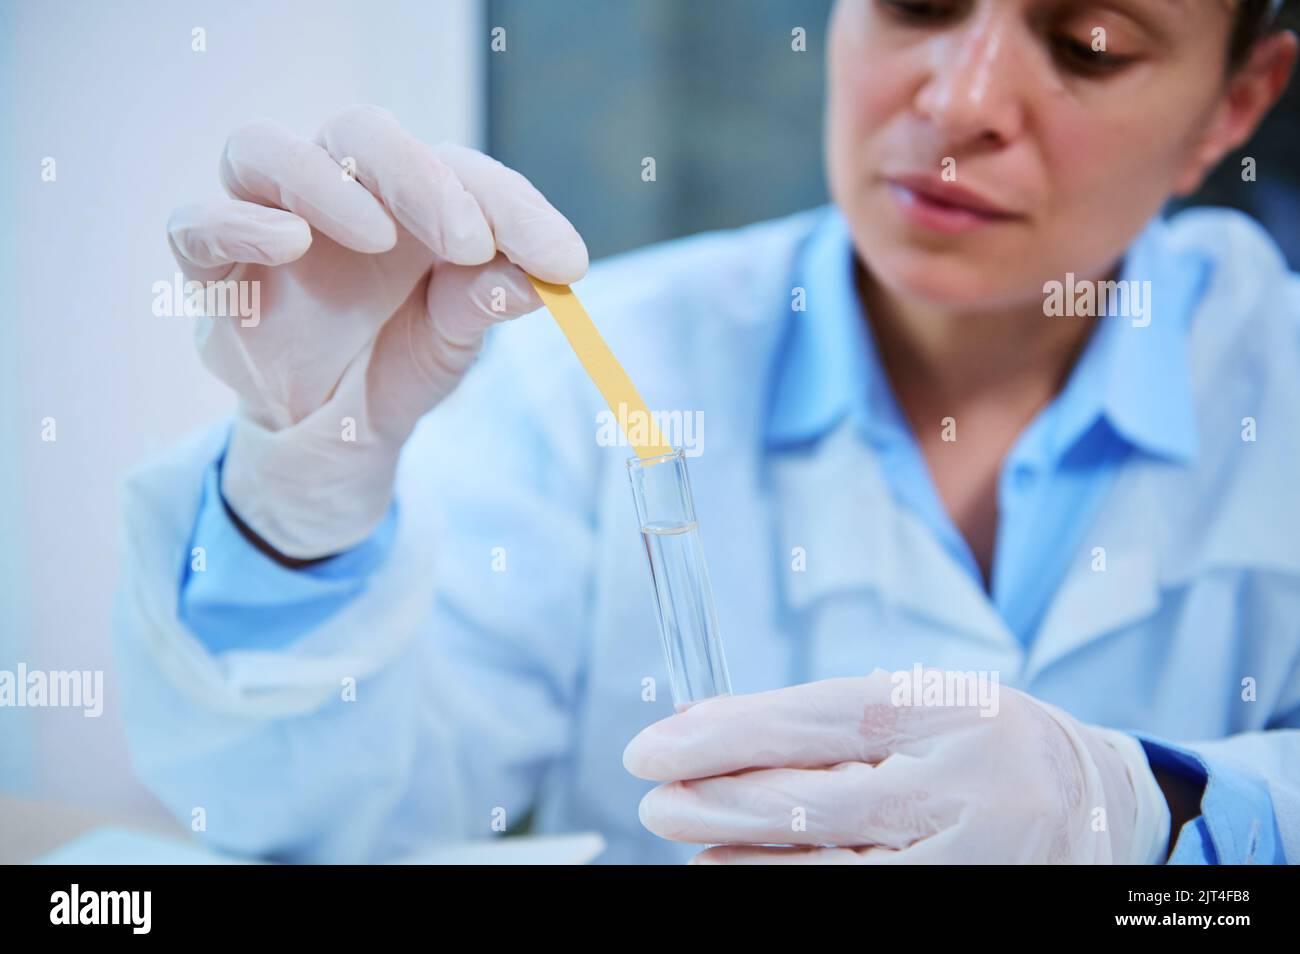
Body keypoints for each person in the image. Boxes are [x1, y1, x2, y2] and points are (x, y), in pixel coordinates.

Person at [116, 0, 1299, 864]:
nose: (961, 101)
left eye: (1088, 45)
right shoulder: (590, 373)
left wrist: (1154, 813)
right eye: (919, 5)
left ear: (1233, 106)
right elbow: (300, 821)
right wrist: (296, 503)